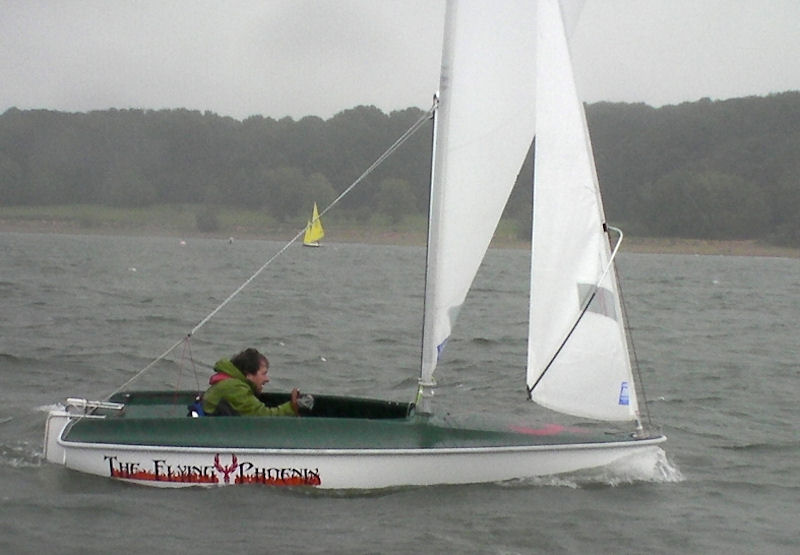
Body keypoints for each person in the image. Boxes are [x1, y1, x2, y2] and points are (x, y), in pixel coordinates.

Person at [202, 347, 305, 416]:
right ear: (249, 374)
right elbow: (263, 418)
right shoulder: (235, 389)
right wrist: (292, 407)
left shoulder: (229, 384)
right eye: (263, 374)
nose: (267, 379)